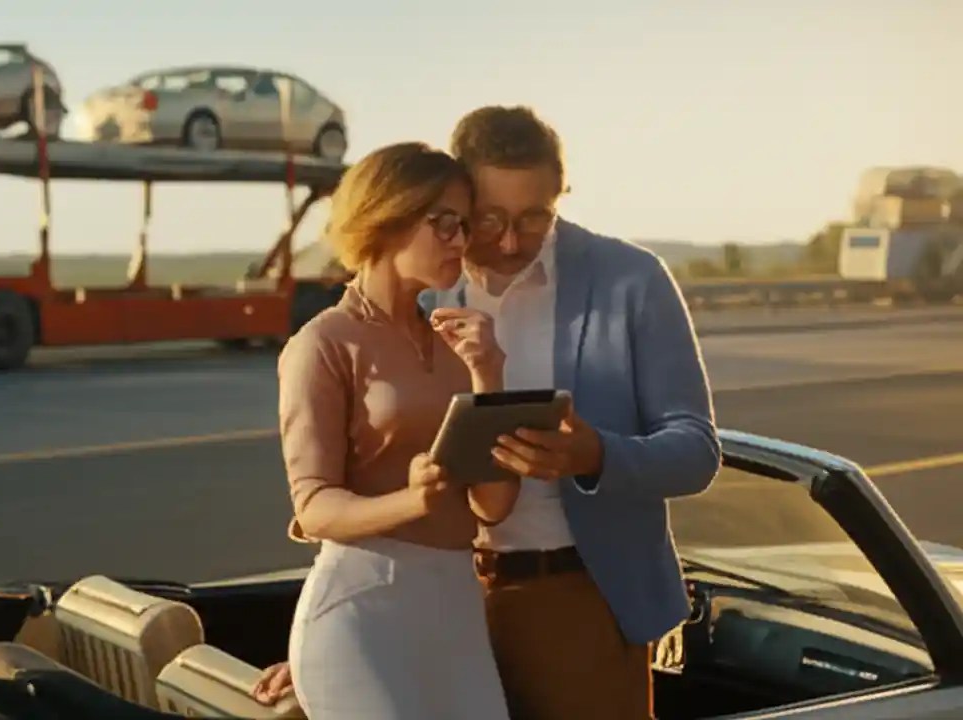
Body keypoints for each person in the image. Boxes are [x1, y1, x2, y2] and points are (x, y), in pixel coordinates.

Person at [256, 106, 722, 719]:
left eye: (535, 219)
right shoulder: (426, 287)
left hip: (574, 600)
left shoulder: (630, 281)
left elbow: (696, 450)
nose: (507, 241)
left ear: (561, 195)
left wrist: (595, 453)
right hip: (444, 602)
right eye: (489, 219)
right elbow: (357, 483)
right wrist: (343, 651)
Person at [275, 141, 526, 720]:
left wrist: (490, 373)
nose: (460, 242)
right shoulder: (322, 343)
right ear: (386, 217)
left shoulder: (459, 342)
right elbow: (313, 508)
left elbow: (494, 504)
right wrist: (412, 500)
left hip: (457, 610)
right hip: (361, 612)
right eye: (443, 224)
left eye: (464, 226)